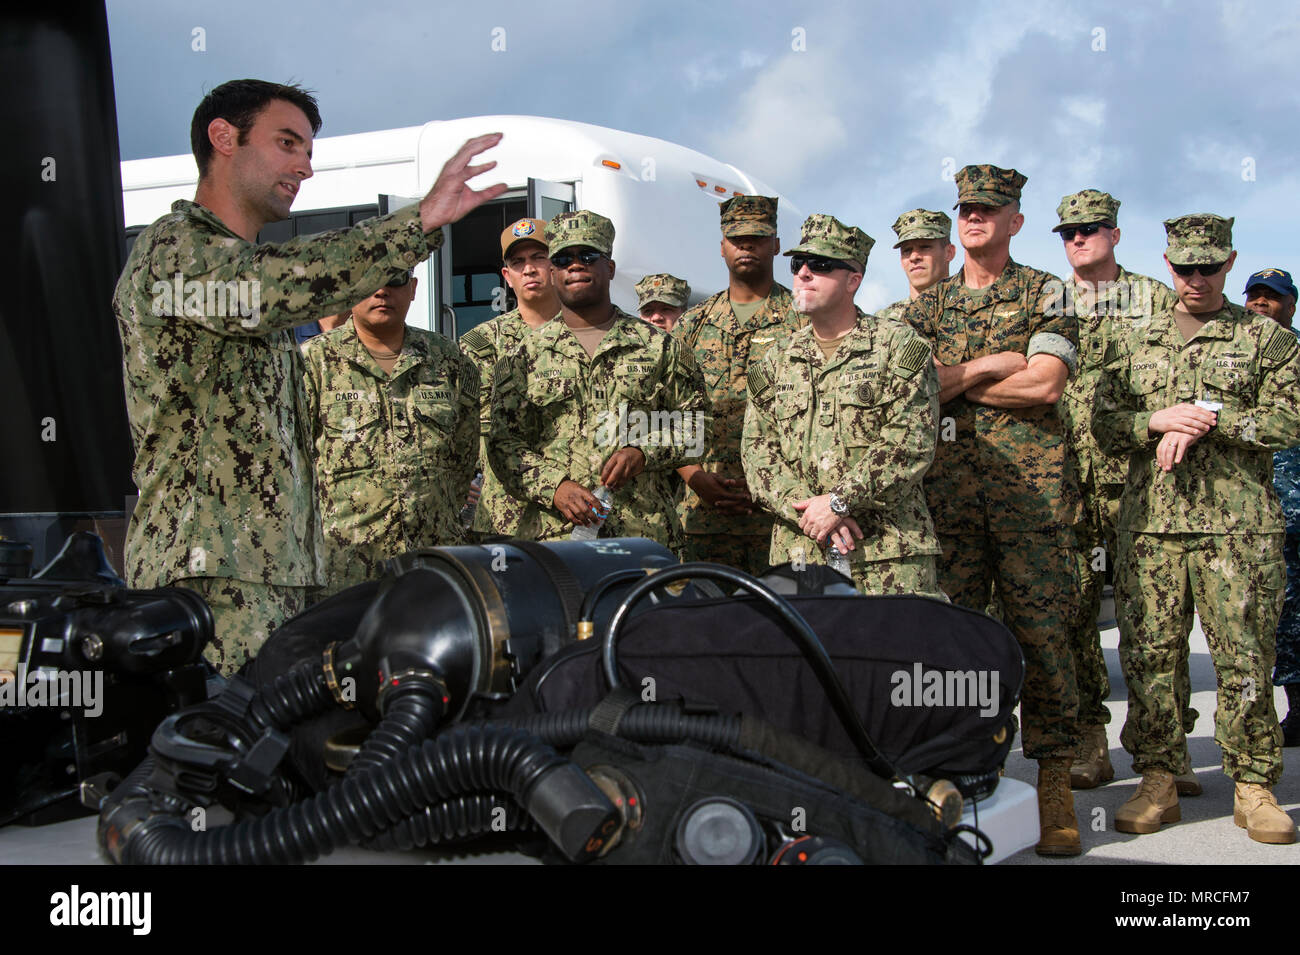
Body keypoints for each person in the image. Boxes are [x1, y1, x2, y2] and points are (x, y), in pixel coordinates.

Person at [113, 78, 504, 673]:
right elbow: (280, 283)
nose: (305, 168)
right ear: (224, 137)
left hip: (273, 575)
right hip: (208, 581)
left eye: (310, 152)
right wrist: (419, 220)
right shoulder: (177, 252)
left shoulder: (233, 268)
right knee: (215, 751)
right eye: (288, 143)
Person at [1094, 216, 1300, 845]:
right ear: (1167, 263)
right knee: (1151, 656)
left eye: (1209, 267)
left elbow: (1288, 422)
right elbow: (1104, 421)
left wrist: (1206, 417)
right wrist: (1153, 419)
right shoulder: (1133, 339)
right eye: (1184, 268)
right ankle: (1158, 778)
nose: (1196, 279)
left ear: (1229, 263)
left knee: (1245, 657)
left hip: (1238, 529)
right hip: (1151, 526)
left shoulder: (1269, 341)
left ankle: (1254, 784)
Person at [903, 164, 1083, 857]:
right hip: (948, 507)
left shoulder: (1045, 291)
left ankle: (1055, 781)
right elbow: (915, 391)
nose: (974, 217)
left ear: (1015, 220)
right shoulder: (924, 308)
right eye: (966, 208)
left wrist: (956, 384)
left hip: (1028, 503)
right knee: (955, 648)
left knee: (1044, 639)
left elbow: (1044, 388)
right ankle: (966, 772)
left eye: (989, 208)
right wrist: (987, 366)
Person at [1048, 189, 1199, 795]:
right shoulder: (1045, 301)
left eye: (1089, 228)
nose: (1078, 239)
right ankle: (1090, 741)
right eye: (1068, 231)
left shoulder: (1158, 300)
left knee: (1155, 619)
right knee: (1075, 618)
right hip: (1063, 485)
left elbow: (1196, 376)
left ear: (1114, 232)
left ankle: (1167, 745)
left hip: (1140, 485)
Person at [742, 215, 941, 594]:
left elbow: (910, 442)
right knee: (804, 654)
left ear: (854, 280)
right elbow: (757, 454)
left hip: (886, 556)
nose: (803, 273)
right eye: (797, 264)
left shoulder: (898, 347)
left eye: (820, 265)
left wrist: (838, 501)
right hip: (800, 553)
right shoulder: (773, 362)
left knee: (893, 654)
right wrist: (812, 513)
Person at [488, 211, 708, 548]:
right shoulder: (522, 357)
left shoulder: (661, 347)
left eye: (588, 256)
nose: (575, 266)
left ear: (609, 268)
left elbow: (699, 426)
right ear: (553, 272)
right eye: (563, 259)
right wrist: (555, 487)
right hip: (555, 539)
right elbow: (503, 446)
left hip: (642, 536)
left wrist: (644, 452)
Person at [301, 270, 478, 592]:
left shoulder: (448, 359)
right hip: (345, 567)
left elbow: (463, 454)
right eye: (370, 277)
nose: (382, 290)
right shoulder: (314, 362)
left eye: (394, 278)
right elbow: (296, 465)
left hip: (433, 561)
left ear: (413, 289)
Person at [674, 196, 802, 574]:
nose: (746, 246)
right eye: (736, 238)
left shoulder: (803, 320)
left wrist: (768, 486)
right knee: (707, 625)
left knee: (784, 626)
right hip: (704, 519)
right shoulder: (691, 326)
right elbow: (663, 413)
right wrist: (694, 477)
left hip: (783, 520)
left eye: (758, 238)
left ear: (776, 245)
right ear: (722, 247)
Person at [459, 218, 560, 537]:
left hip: (577, 517)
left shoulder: (585, 333)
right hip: (506, 517)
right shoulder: (482, 343)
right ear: (507, 276)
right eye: (518, 262)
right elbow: (471, 429)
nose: (529, 269)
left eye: (538, 258)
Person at [1242, 268, 1300, 746]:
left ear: (1291, 305)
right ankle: (1295, 709)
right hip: (1259, 512)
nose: (1262, 304)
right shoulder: (1235, 356)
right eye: (1255, 297)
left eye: (1272, 298)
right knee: (1274, 617)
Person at [876, 209, 956, 323]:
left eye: (925, 247)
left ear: (949, 253)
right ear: (901, 261)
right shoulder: (882, 323)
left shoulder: (975, 309)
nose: (914, 257)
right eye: (907, 250)